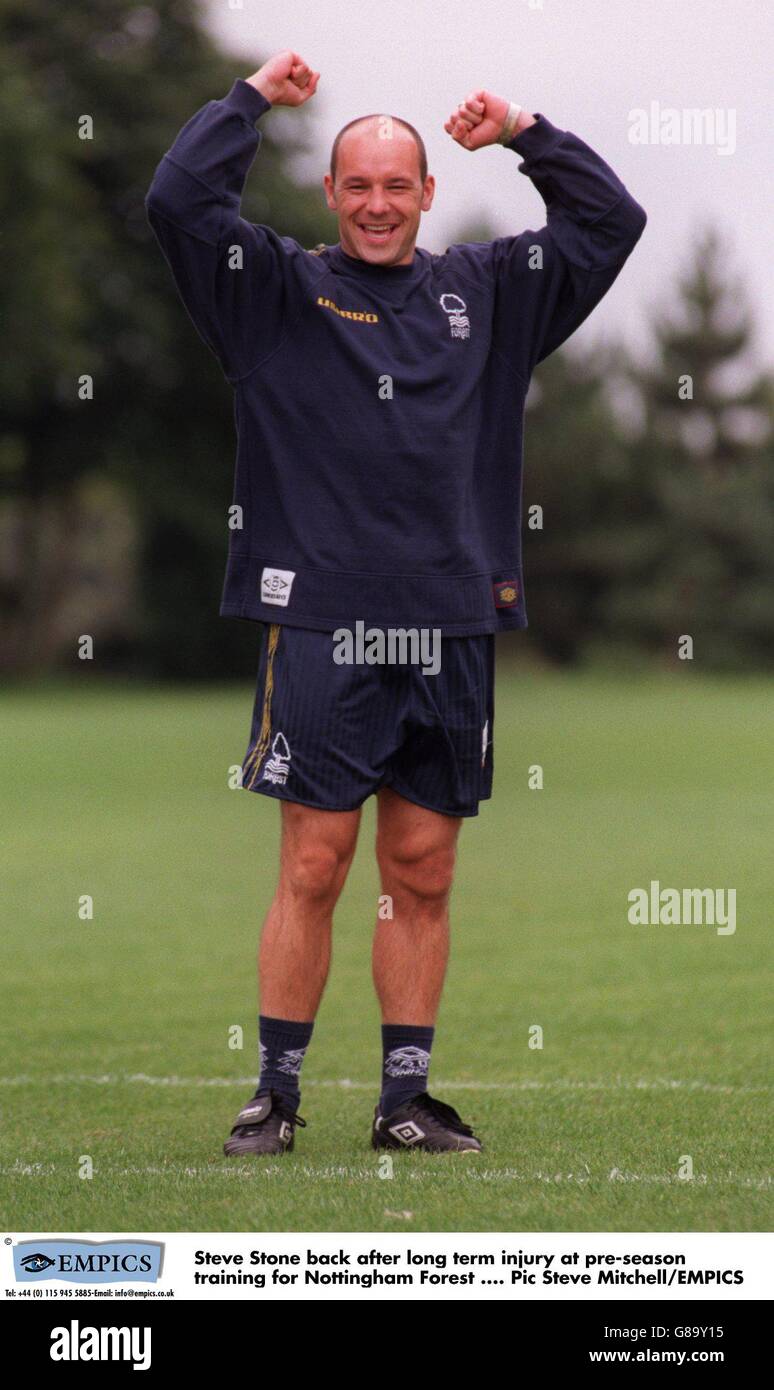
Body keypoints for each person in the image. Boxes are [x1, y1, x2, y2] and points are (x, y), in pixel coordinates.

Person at [146, 48, 646, 1156]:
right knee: (316, 864)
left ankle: (403, 1103)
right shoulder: (273, 291)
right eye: (357, 185)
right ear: (331, 195)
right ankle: (274, 1095)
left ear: (426, 193)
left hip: (451, 621)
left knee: (421, 869)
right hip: (322, 619)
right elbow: (177, 199)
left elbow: (611, 221)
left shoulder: (487, 293)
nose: (377, 204)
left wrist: (525, 130)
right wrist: (248, 102)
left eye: (397, 185)